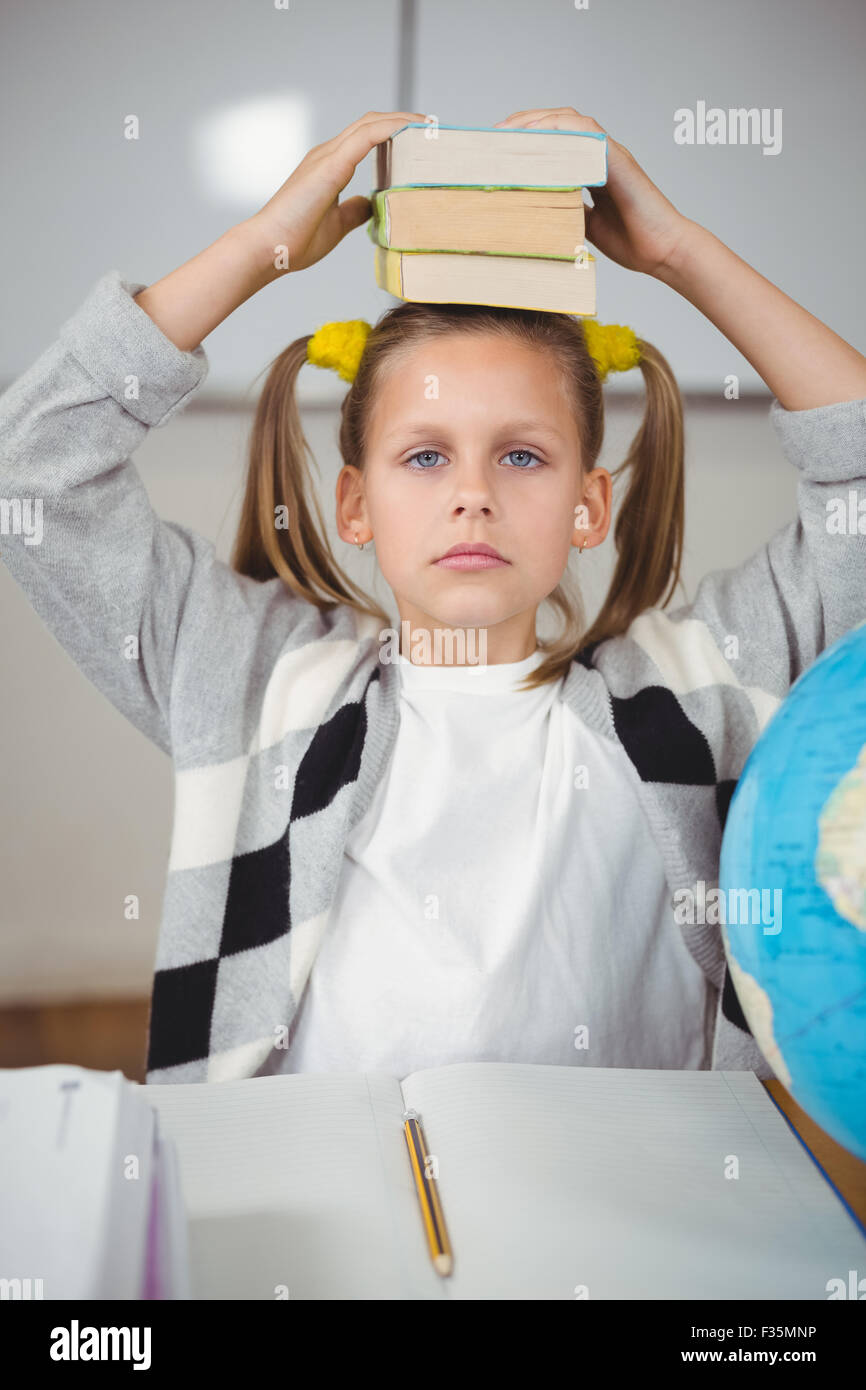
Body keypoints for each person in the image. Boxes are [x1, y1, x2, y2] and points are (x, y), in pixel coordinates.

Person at [2, 109, 864, 1085]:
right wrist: (257, 251)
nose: (472, 492)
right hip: (319, 1205)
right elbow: (33, 470)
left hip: (623, 1210)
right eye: (424, 454)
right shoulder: (254, 681)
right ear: (356, 504)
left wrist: (678, 255)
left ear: (589, 506)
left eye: (521, 454)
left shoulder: (699, 690)